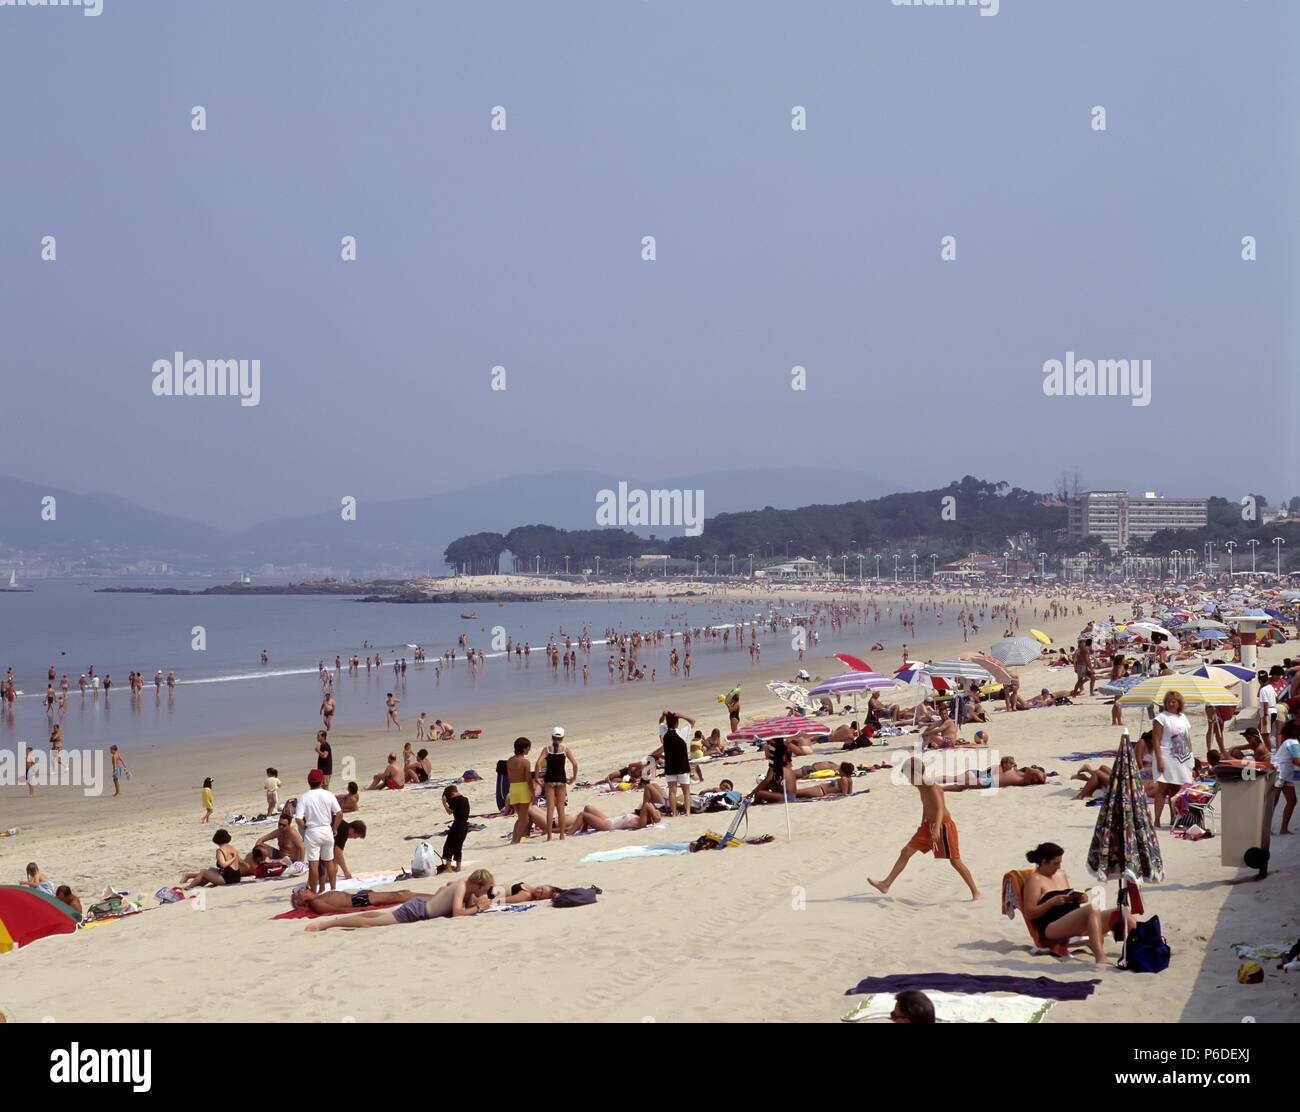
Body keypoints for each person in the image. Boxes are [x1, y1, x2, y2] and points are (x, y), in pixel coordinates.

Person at [869, 757, 980, 901]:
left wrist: (937, 829)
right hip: (928, 826)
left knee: (955, 861)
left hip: (943, 826)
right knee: (906, 852)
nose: (908, 780)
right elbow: (926, 804)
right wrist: (923, 823)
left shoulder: (930, 785)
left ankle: (975, 892)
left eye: (908, 776)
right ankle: (886, 884)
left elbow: (940, 809)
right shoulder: (920, 785)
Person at [1021, 841, 1133, 964]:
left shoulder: (1061, 874)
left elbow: (1067, 900)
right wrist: (1050, 903)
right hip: (1051, 927)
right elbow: (1030, 913)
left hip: (1072, 921)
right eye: (1055, 864)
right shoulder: (1034, 880)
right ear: (1043, 862)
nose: (1058, 867)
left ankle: (1141, 948)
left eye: (1060, 863)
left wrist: (1078, 898)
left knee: (1121, 912)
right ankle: (1100, 957)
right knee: (1092, 908)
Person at [304, 869, 495, 932]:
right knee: (370, 923)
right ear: (478, 886)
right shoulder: (462, 886)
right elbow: (457, 913)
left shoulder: (467, 888)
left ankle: (330, 923)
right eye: (485, 890)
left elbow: (465, 905)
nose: (486, 893)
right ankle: (327, 924)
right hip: (416, 911)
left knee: (379, 916)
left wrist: (478, 905)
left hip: (419, 908)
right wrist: (477, 908)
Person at [294, 769, 342, 894]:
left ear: (308, 781)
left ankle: (314, 892)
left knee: (313, 864)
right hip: (326, 829)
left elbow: (298, 819)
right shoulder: (328, 794)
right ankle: (333, 889)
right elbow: (339, 813)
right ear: (321, 781)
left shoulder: (304, 797)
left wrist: (304, 827)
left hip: (312, 831)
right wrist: (335, 828)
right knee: (329, 861)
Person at [1151, 690, 1193, 828]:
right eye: (1168, 702)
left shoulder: (1183, 717)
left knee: (1176, 789)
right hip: (1165, 755)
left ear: (1179, 703)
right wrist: (1159, 759)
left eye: (1173, 701)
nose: (1170, 704)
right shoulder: (1161, 718)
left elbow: (1188, 738)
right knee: (1162, 788)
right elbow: (1156, 739)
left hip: (1181, 757)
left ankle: (1174, 818)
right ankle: (1157, 819)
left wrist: (1190, 756)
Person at [654, 710, 696, 817]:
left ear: (667, 723)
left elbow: (660, 722)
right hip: (682, 766)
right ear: (677, 722)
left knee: (672, 791)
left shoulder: (664, 733)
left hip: (670, 767)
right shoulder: (681, 733)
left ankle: (674, 813)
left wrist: (663, 715)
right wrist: (681, 715)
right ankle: (687, 812)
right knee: (686, 790)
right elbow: (692, 721)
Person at [180, 829, 253, 888]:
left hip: (227, 880)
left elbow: (223, 865)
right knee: (211, 870)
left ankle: (189, 887)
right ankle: (198, 885)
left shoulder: (220, 850)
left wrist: (232, 859)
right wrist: (248, 867)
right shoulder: (232, 848)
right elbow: (241, 862)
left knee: (203, 872)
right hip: (236, 877)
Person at [539, 727, 577, 841]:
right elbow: (575, 764)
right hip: (561, 780)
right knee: (561, 808)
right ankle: (561, 835)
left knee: (550, 808)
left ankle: (549, 836)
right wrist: (573, 778)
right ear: (563, 738)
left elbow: (537, 764)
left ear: (552, 737)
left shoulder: (546, 749)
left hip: (549, 780)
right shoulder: (565, 749)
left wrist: (537, 777)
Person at [507, 737, 535, 844]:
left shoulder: (509, 761)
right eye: (528, 748)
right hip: (523, 788)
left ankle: (515, 839)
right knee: (524, 818)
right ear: (524, 749)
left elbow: (509, 778)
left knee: (521, 817)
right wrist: (532, 793)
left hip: (513, 788)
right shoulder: (525, 762)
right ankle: (516, 840)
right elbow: (528, 779)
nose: (529, 750)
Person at [439, 785, 471, 872]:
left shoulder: (456, 800)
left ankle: (448, 868)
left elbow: (449, 812)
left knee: (449, 845)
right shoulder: (465, 799)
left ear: (453, 794)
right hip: (465, 825)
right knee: (458, 846)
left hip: (457, 825)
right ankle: (458, 867)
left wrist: (444, 803)